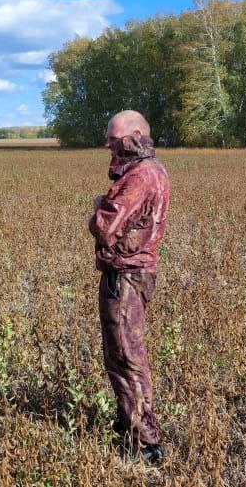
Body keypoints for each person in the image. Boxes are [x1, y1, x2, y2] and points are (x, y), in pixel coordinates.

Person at [88, 110, 170, 465]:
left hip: (125, 276)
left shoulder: (140, 176)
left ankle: (145, 443)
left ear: (135, 134)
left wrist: (96, 211)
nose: (108, 142)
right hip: (130, 273)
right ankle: (128, 422)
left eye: (113, 137)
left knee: (126, 356)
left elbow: (105, 226)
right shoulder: (148, 170)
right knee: (121, 353)